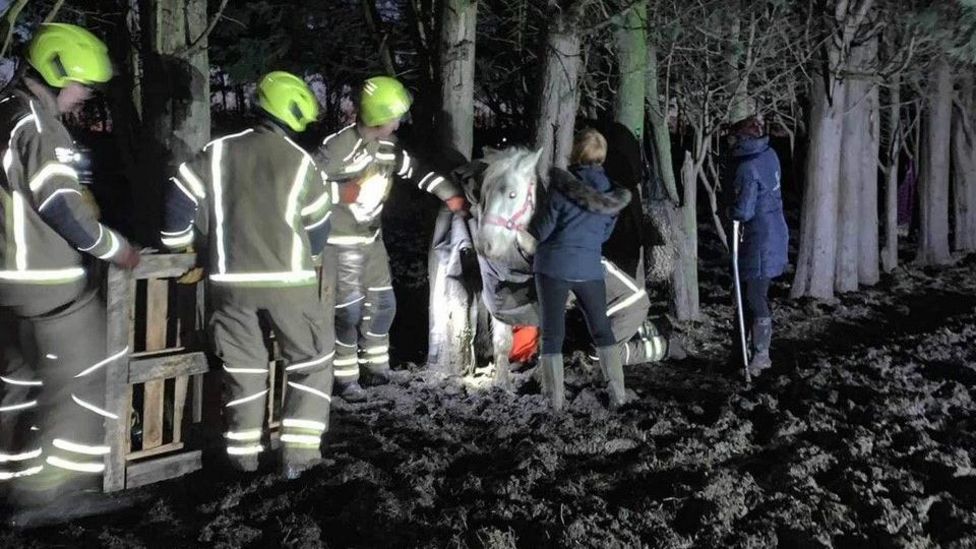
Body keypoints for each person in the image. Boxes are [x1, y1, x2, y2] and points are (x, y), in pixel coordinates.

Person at [160, 71, 334, 479]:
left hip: (229, 284)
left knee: (244, 367)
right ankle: (299, 459)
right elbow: (319, 230)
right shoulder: (300, 162)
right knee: (311, 361)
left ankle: (243, 459)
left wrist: (178, 248)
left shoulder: (217, 152)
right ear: (292, 115)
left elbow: (176, 204)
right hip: (290, 284)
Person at [0, 23, 141, 520]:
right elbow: (61, 203)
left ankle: (10, 475)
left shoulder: (3, 112)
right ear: (57, 71)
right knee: (88, 369)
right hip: (43, 279)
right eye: (82, 85)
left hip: (6, 284)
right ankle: (51, 490)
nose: (84, 97)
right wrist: (114, 247)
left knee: (17, 379)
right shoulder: (39, 126)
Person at [316, 75, 468, 402]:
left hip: (372, 244)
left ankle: (377, 370)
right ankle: (346, 379)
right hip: (339, 247)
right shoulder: (336, 147)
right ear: (378, 116)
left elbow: (416, 172)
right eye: (395, 116)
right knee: (348, 314)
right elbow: (304, 189)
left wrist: (450, 195)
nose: (400, 122)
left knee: (384, 306)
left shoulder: (388, 148)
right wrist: (343, 192)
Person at [529, 128, 632, 411]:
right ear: (602, 156)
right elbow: (604, 236)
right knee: (602, 330)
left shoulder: (561, 189)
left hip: (553, 267)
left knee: (552, 334)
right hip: (589, 268)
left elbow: (542, 230)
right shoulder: (611, 196)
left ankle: (555, 400)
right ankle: (618, 393)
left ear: (575, 152)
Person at [726, 115, 788, 375]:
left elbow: (744, 211)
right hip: (774, 232)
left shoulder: (746, 168)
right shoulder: (769, 155)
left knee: (753, 296)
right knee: (753, 294)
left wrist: (729, 209)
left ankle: (760, 356)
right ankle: (742, 353)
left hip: (757, 240)